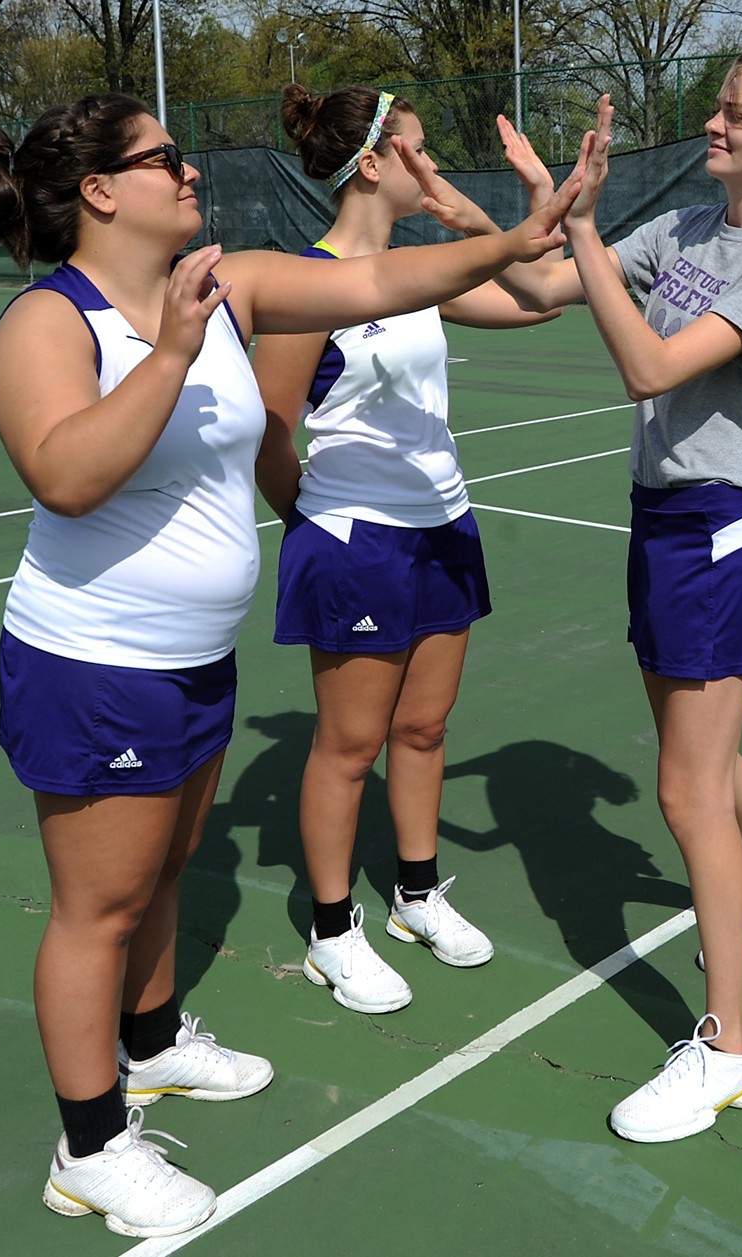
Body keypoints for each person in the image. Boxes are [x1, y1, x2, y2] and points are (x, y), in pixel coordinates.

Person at [0, 93, 576, 1236]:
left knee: (168, 863)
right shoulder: (49, 323)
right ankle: (89, 1145)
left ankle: (148, 1048)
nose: (192, 171)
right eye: (166, 159)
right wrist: (176, 353)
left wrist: (511, 240)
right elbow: (66, 474)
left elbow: (382, 285)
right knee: (97, 906)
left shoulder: (230, 280)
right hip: (95, 662)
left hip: (194, 657)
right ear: (100, 192)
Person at [399, 43, 742, 1142]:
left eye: (737, 114)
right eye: (716, 106)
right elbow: (547, 285)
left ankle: (732, 1048)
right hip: (663, 518)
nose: (714, 123)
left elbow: (650, 367)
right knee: (699, 751)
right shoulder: (686, 227)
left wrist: (585, 228)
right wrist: (492, 207)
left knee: (684, 787)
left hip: (721, 530)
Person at [253, 84, 564, 1015]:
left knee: (424, 728)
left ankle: (418, 896)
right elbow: (270, 434)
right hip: (356, 540)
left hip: (444, 527)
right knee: (349, 746)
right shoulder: (307, 286)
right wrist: (316, 524)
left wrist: (517, 215)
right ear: (374, 165)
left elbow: (537, 305)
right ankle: (333, 926)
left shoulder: (420, 271)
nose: (432, 168)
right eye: (419, 152)